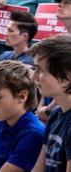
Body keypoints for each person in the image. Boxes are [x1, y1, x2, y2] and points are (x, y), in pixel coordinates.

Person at [31, 35, 71, 170]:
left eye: (40, 69)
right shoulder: (55, 114)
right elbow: (39, 168)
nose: (33, 77)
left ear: (66, 77)